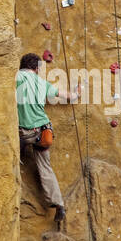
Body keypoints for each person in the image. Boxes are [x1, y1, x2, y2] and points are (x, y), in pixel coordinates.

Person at [16, 53, 78, 230]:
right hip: (43, 132)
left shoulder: (18, 76)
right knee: (45, 168)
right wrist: (76, 93)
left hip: (23, 133)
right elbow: (67, 96)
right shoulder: (41, 83)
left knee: (13, 144)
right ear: (35, 68)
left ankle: (16, 159)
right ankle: (59, 204)